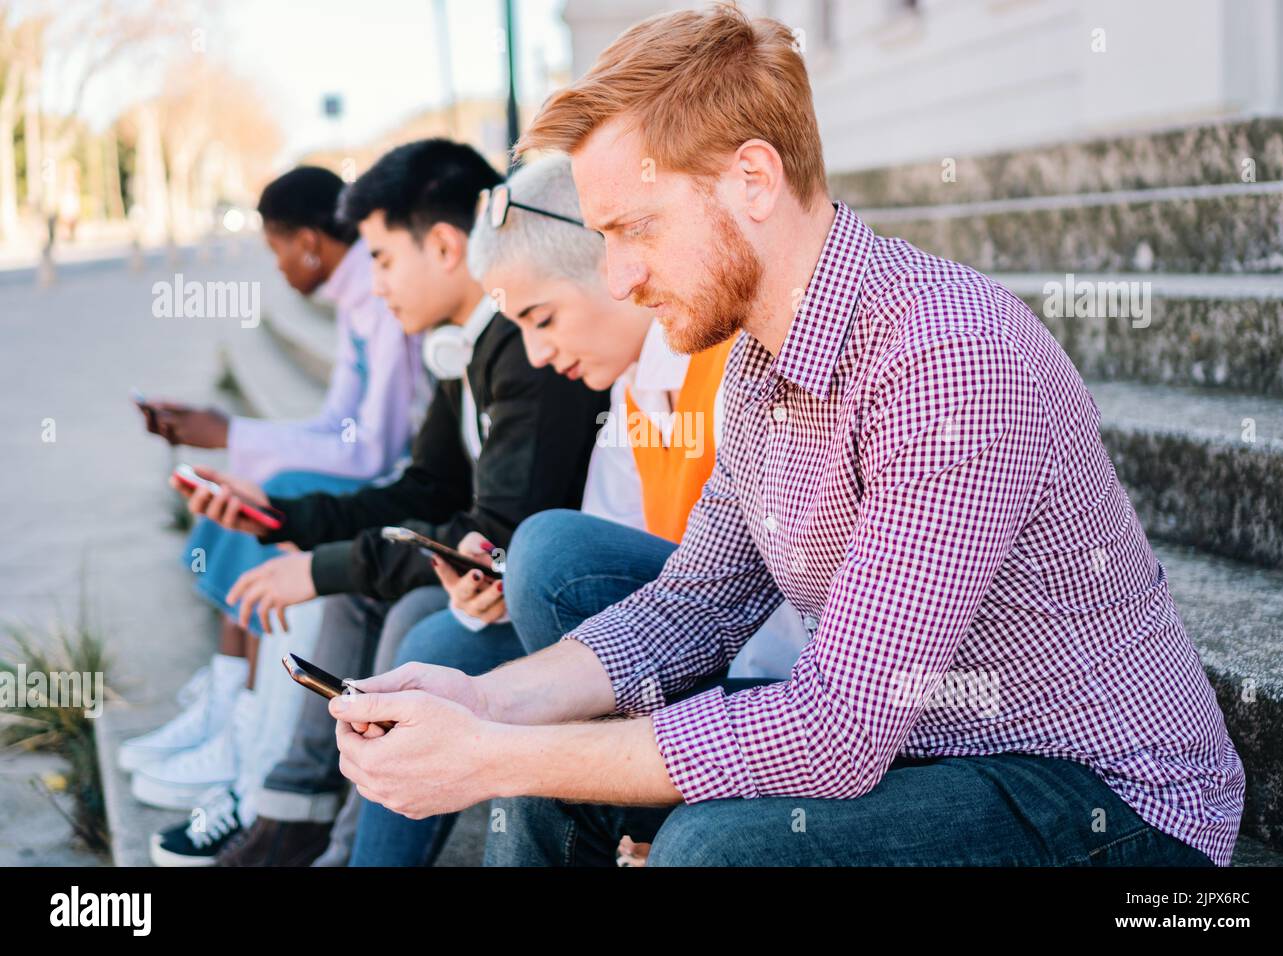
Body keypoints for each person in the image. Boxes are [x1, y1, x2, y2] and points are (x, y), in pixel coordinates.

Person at [331, 4, 1244, 868]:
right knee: (549, 769)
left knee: (715, 851)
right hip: (923, 745)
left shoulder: (951, 357)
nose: (616, 277)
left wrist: (487, 758)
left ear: (753, 180)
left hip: (1106, 798)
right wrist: (487, 706)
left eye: (634, 229)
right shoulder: (762, 367)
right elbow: (689, 606)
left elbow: (835, 734)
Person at [155, 139, 609, 866]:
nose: (372, 281)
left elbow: (491, 537)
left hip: (539, 598)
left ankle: (345, 848)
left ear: (443, 245)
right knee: (351, 594)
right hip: (497, 578)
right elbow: (422, 489)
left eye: (382, 258)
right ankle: (294, 813)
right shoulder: (465, 346)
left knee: (409, 621)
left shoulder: (529, 349)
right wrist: (285, 520)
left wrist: (321, 565)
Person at [347, 154, 808, 866]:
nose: (536, 351)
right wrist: (492, 682)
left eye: (541, 318)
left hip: (766, 669)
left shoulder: (737, 373)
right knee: (444, 638)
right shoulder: (630, 397)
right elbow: (656, 594)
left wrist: (513, 742)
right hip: (681, 650)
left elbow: (753, 625)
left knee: (547, 554)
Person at [122, 166, 427, 815]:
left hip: (400, 484)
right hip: (372, 465)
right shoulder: (353, 300)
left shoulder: (378, 297)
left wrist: (232, 431)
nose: (281, 266)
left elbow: (372, 447)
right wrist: (227, 434)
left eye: (279, 248)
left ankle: (243, 721)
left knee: (269, 491)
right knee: (248, 483)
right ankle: (228, 704)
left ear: (312, 240)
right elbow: (333, 423)